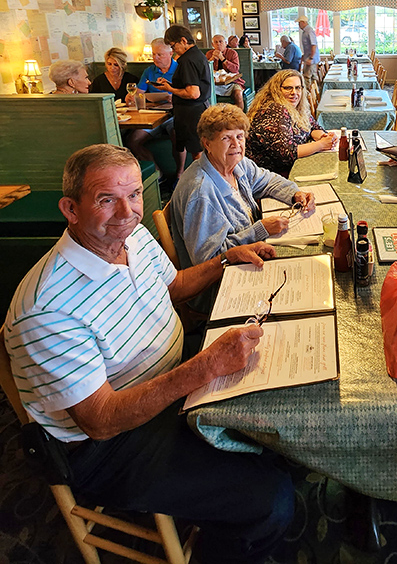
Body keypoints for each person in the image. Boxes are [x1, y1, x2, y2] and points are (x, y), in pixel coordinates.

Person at [4, 144, 294, 564]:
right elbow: (101, 421)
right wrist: (206, 366)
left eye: (135, 195)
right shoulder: (46, 308)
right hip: (109, 447)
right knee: (270, 500)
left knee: (282, 407)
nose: (127, 211)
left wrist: (225, 259)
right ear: (71, 208)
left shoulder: (133, 237)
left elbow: (173, 285)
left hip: (169, 381)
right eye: (107, 200)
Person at [171, 105, 315, 310]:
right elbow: (211, 261)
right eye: (226, 138)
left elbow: (268, 180)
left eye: (240, 136)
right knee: (299, 287)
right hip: (219, 288)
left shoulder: (237, 165)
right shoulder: (201, 192)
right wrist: (260, 230)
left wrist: (295, 193)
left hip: (248, 260)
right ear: (207, 144)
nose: (236, 144)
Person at [246, 70, 336, 177]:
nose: (294, 92)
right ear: (276, 89)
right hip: (268, 177)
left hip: (291, 167)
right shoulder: (274, 110)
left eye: (298, 88)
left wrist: (324, 137)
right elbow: (287, 154)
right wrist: (321, 145)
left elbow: (312, 126)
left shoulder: (297, 107)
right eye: (288, 88)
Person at [124, 38, 186, 180]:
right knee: (133, 140)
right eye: (153, 54)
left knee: (178, 136)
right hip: (152, 115)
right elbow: (139, 92)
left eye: (160, 54)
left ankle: (180, 174)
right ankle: (157, 172)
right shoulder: (149, 71)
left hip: (173, 114)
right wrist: (131, 97)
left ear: (171, 53)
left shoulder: (180, 70)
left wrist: (175, 96)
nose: (155, 58)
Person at [155, 25, 212, 162]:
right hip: (200, 109)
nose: (173, 51)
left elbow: (193, 93)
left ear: (183, 41)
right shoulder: (197, 55)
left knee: (197, 155)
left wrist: (170, 89)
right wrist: (171, 85)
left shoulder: (187, 60)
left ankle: (199, 182)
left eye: (173, 46)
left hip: (191, 114)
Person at [206, 33, 245, 109]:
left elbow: (236, 69)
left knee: (238, 95)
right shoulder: (209, 54)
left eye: (221, 42)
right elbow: (204, 69)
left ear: (226, 43)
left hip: (233, 82)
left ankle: (240, 117)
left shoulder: (232, 53)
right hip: (215, 84)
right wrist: (212, 59)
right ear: (212, 44)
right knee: (205, 94)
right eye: (216, 42)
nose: (218, 44)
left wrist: (222, 59)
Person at [297, 16, 320, 85]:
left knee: (307, 77)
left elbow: (313, 45)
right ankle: (315, 93)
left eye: (299, 23)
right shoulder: (306, 31)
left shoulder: (309, 31)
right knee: (313, 77)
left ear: (303, 22)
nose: (298, 25)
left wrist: (311, 58)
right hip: (308, 57)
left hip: (311, 59)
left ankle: (310, 94)